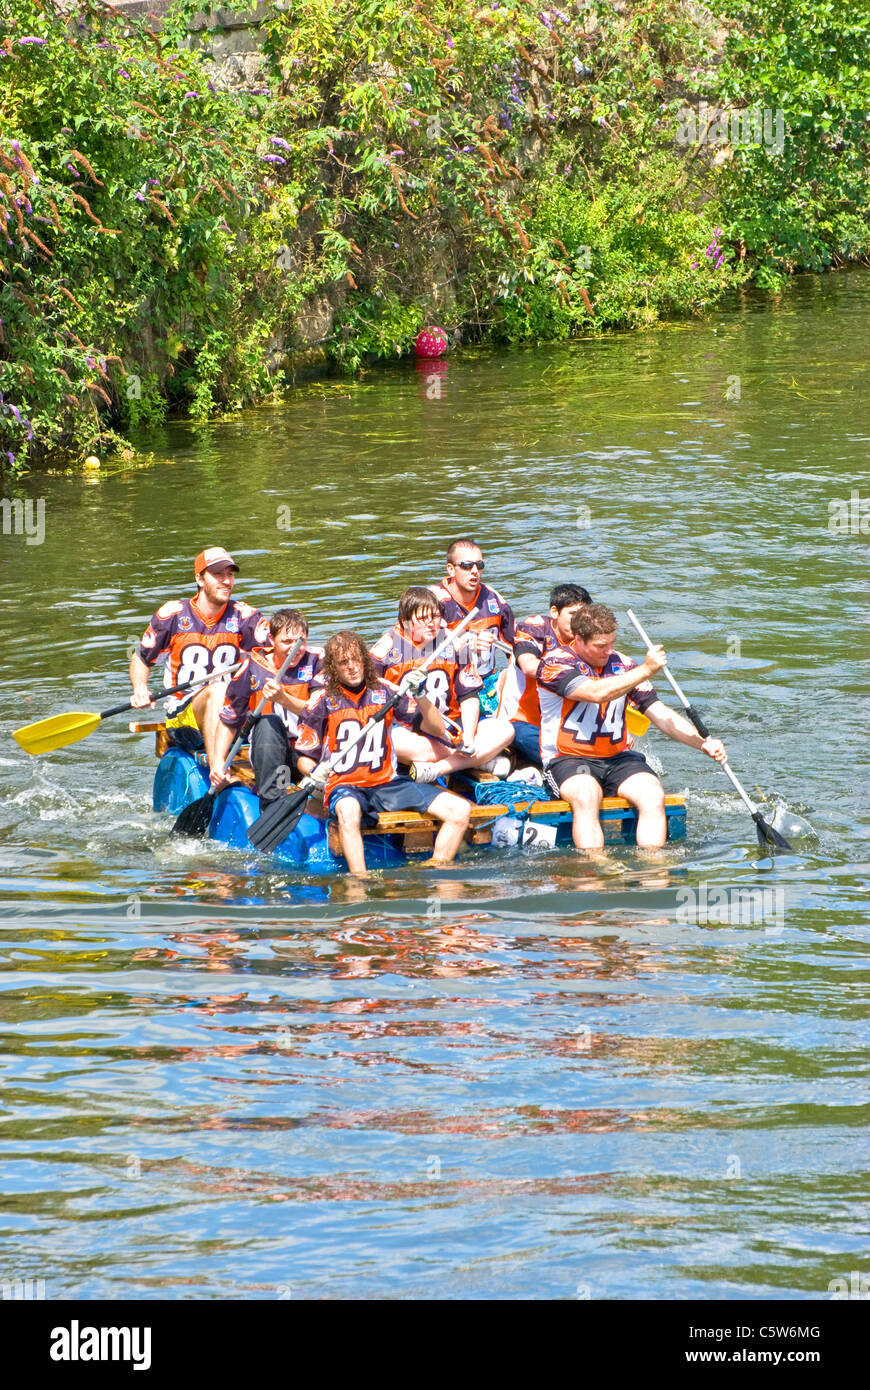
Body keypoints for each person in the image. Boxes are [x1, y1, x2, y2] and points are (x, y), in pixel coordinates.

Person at [536, 603, 728, 850]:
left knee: (652, 793)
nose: (609, 651)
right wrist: (646, 670)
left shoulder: (623, 665)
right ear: (578, 640)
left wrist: (702, 744)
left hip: (617, 758)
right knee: (587, 795)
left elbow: (660, 714)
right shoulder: (554, 663)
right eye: (600, 646)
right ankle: (597, 866)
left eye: (612, 643)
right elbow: (596, 692)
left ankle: (652, 866)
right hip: (567, 759)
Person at [295, 631, 472, 877]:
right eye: (344, 663)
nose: (352, 667)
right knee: (348, 811)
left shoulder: (388, 692)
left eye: (356, 659)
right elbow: (304, 756)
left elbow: (437, 729)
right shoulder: (322, 702)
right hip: (345, 784)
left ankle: (435, 872)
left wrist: (421, 696)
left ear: (366, 661)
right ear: (333, 668)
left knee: (460, 811)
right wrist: (315, 773)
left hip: (387, 783)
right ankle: (360, 881)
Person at [129, 547, 269, 764]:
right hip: (184, 715)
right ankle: (218, 770)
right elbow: (141, 658)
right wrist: (140, 688)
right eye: (218, 575)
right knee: (218, 690)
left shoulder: (246, 617)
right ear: (200, 579)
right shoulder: (173, 615)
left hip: (233, 710)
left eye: (230, 575)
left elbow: (274, 660)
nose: (226, 581)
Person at [209, 608, 323, 807]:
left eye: (300, 641)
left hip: (309, 751)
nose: (294, 649)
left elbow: (319, 711)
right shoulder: (253, 667)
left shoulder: (316, 661)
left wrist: (283, 698)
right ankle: (270, 803)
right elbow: (230, 718)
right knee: (269, 721)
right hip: (270, 750)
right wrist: (218, 762)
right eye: (286, 642)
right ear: (271, 639)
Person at [500, 582, 592, 769]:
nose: (578, 623)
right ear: (554, 612)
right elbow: (529, 667)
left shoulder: (584, 638)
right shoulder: (534, 627)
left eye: (584, 617)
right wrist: (569, 673)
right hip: (520, 721)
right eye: (573, 615)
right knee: (574, 758)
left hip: (561, 723)